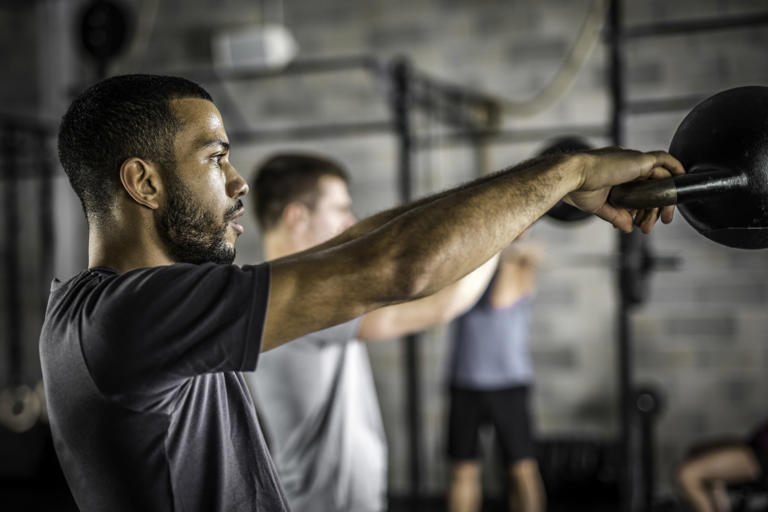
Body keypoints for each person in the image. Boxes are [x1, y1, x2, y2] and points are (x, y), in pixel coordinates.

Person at [38, 73, 683, 512]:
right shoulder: (129, 316)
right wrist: (567, 170)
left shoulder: (119, 307)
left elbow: (357, 246)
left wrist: (546, 193)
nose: (237, 182)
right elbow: (397, 267)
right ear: (142, 183)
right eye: (214, 157)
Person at [245, 152, 498, 512]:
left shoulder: (282, 288)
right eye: (339, 209)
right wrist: (499, 235)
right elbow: (442, 304)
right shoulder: (292, 297)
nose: (350, 222)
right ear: (297, 217)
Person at [446, 234, 546, 512]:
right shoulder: (465, 265)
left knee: (521, 470)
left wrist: (505, 251)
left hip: (508, 383)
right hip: (465, 380)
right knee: (462, 470)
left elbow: (499, 299)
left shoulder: (520, 263)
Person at [675, 420, 768, 512]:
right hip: (754, 443)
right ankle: (719, 496)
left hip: (762, 454)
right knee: (695, 451)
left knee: (689, 474)